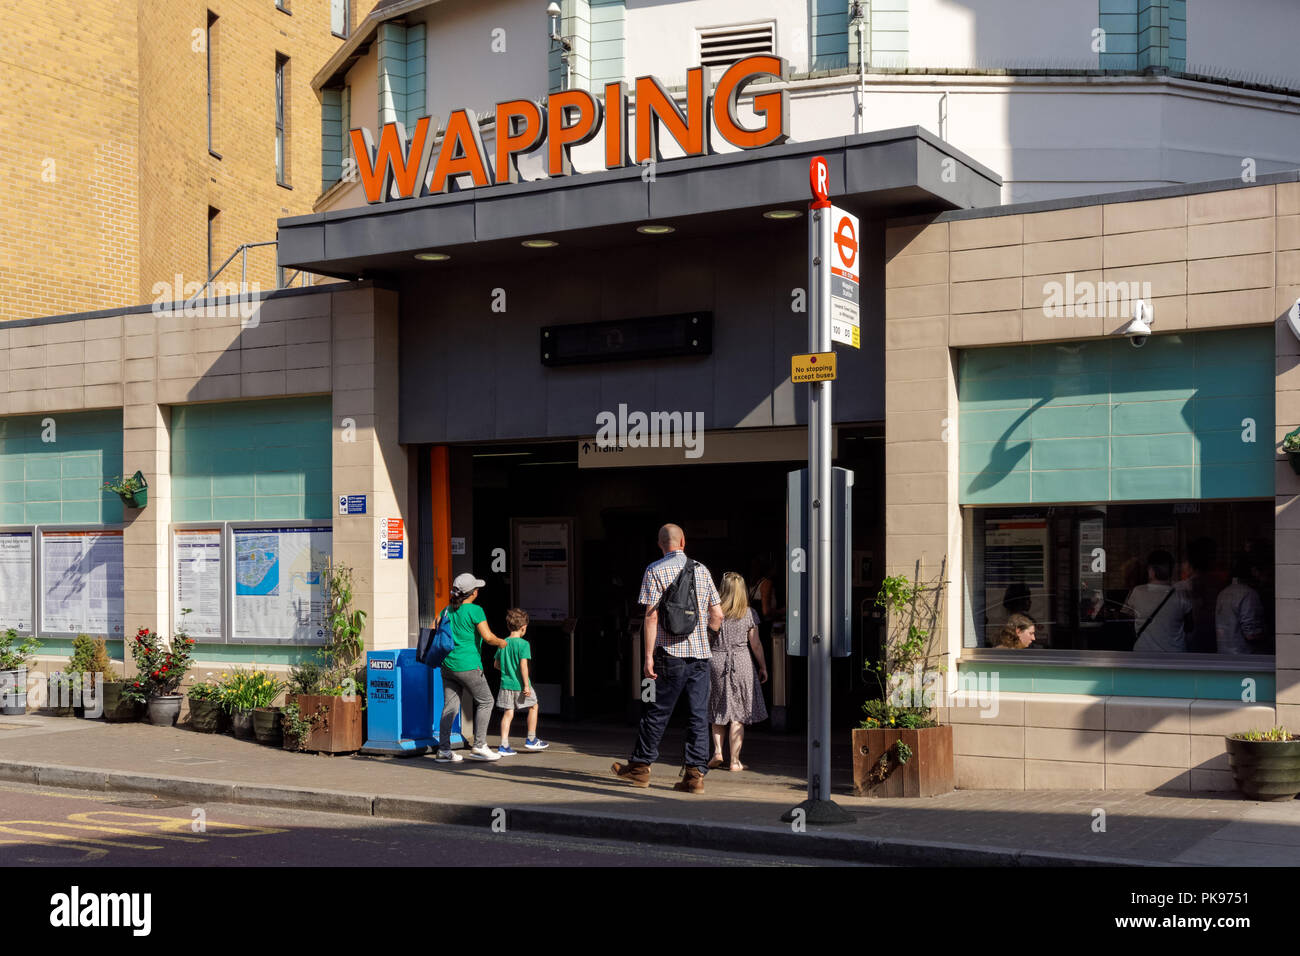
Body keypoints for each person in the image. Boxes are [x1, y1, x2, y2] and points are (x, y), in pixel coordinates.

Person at [612, 523, 723, 794]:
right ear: (683, 541)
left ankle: (640, 768)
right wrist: (704, 642)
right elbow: (717, 615)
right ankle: (695, 776)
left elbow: (650, 616)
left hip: (669, 655)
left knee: (657, 711)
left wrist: (647, 656)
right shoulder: (702, 569)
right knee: (698, 715)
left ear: (660, 544)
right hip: (700, 658)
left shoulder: (654, 570)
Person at [436, 572, 508, 762]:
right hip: (468, 665)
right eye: (476, 588)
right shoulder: (475, 611)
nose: (478, 591)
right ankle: (480, 745)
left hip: (447, 665)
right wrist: (502, 643)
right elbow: (488, 637)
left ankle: (443, 750)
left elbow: (434, 627)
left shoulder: (446, 610)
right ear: (472, 593)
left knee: (450, 706)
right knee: (486, 701)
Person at [708, 572, 768, 771]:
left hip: (716, 660)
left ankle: (717, 752)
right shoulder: (749, 613)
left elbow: (707, 639)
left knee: (717, 710)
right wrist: (763, 667)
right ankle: (734, 761)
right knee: (738, 715)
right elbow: (756, 644)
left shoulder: (714, 612)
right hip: (741, 661)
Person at [493, 607, 548, 754]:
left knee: (508, 713)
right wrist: (526, 685)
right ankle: (531, 738)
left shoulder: (503, 643)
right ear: (523, 628)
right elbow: (524, 666)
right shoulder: (524, 644)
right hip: (520, 684)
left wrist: (508, 671)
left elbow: (496, 665)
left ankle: (504, 745)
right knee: (534, 706)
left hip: (506, 684)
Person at [1123, 550, 1193, 653]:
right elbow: (1190, 626)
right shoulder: (1181, 595)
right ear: (1171, 571)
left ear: (1151, 571)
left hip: (1143, 653)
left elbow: (1125, 620)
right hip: (1175, 655)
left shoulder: (1137, 592)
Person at [1216, 553, 1266, 655]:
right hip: (1244, 657)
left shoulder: (1223, 593)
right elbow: (1251, 634)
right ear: (1251, 570)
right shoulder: (1248, 594)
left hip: (1224, 655)